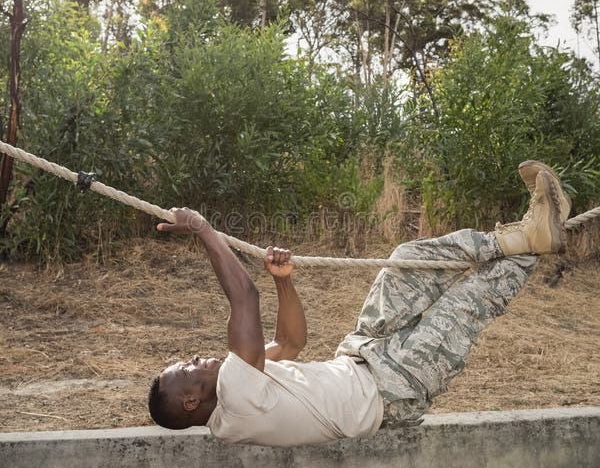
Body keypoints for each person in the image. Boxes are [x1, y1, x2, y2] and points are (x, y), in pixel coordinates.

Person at [148, 161, 570, 446]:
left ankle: (517, 238)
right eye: (187, 368)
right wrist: (203, 230)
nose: (196, 358)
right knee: (464, 304)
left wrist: (284, 283)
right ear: (190, 401)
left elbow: (291, 342)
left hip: (360, 354)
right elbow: (243, 297)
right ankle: (534, 241)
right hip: (393, 388)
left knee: (405, 261)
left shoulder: (240, 383)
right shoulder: (236, 403)